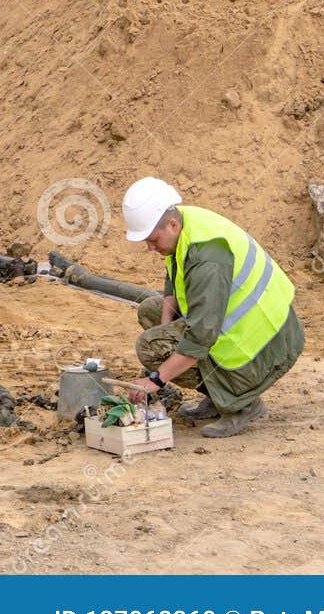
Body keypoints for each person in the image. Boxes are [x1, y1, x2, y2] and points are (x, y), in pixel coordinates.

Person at [120, 177, 304, 438]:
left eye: (152, 240)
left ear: (171, 224)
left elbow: (201, 336)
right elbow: (174, 284)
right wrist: (164, 335)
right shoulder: (185, 226)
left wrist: (156, 379)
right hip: (250, 330)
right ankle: (220, 394)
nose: (150, 248)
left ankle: (241, 403)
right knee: (151, 311)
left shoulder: (207, 256)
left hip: (265, 345)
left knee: (150, 346)